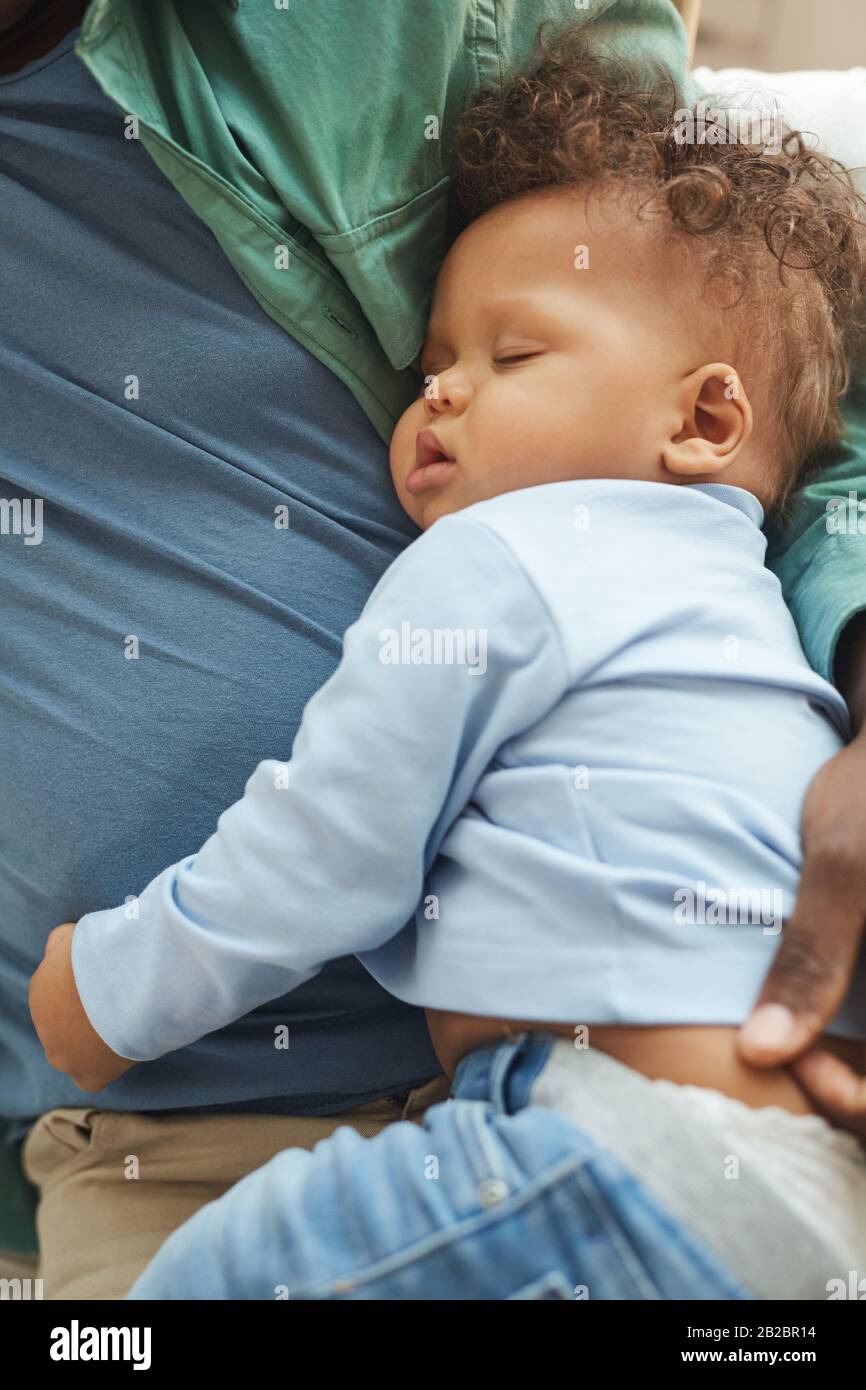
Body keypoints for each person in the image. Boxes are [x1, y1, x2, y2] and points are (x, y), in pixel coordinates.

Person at [31, 35, 866, 1299]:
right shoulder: (724, 605)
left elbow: (330, 853)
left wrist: (104, 988)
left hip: (615, 1148)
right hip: (776, 1181)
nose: (443, 400)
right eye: (430, 370)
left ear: (700, 422)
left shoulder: (511, 556)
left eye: (509, 358)